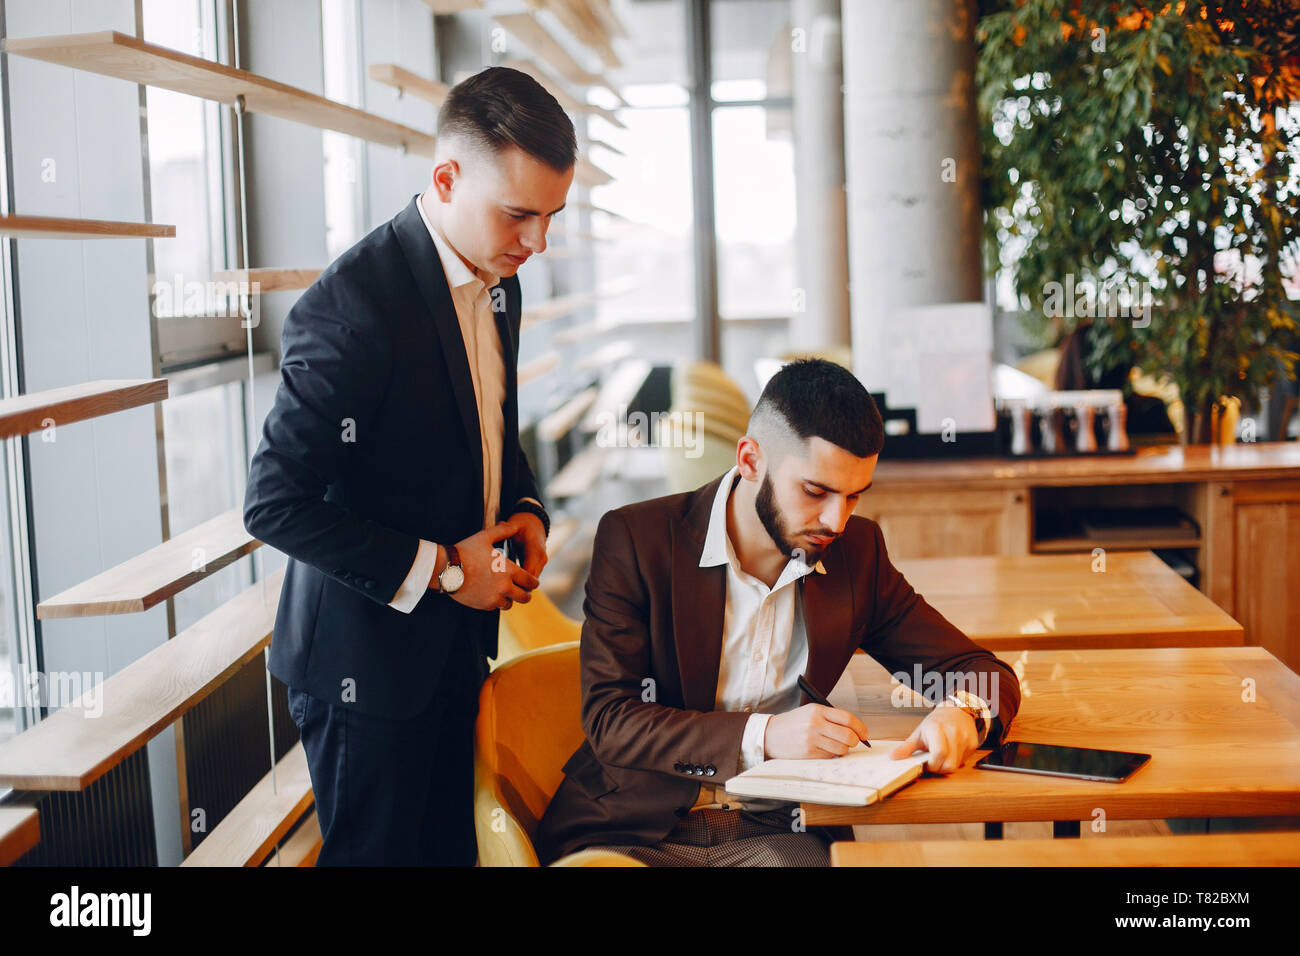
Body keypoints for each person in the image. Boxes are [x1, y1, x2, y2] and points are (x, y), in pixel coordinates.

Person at [243, 67, 574, 865]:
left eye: (552, 217)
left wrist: (526, 506)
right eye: (520, 215)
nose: (537, 243)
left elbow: (491, 427)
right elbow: (273, 503)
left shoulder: (501, 279)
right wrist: (450, 572)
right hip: (366, 671)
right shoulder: (353, 304)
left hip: (458, 649)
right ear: (446, 179)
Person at [535, 359, 1021, 866]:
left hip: (773, 833)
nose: (836, 520)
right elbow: (611, 719)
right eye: (815, 491)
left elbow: (982, 672)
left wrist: (964, 713)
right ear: (749, 460)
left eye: (854, 495)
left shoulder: (858, 553)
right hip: (629, 831)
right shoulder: (636, 540)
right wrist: (766, 735)